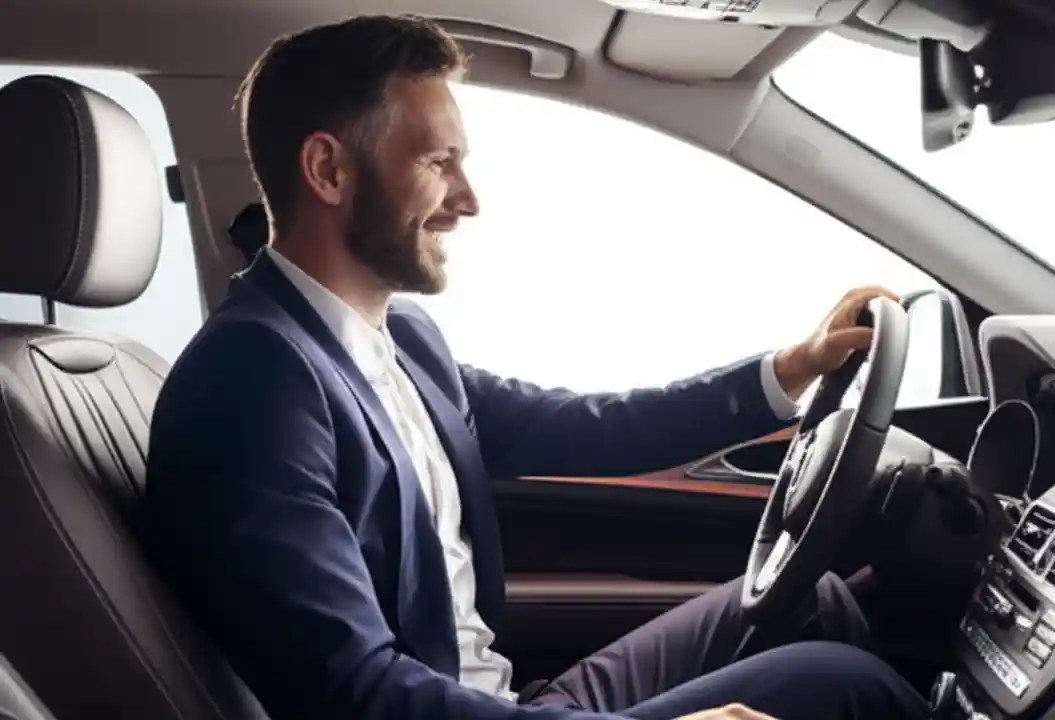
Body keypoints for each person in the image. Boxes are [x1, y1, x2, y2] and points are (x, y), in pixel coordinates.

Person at [143, 14, 929, 720]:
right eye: (439, 161)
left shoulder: (401, 340)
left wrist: (791, 368)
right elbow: (353, 694)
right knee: (839, 686)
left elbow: (583, 428)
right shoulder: (251, 385)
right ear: (329, 172)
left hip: (499, 698)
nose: (469, 199)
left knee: (814, 604)